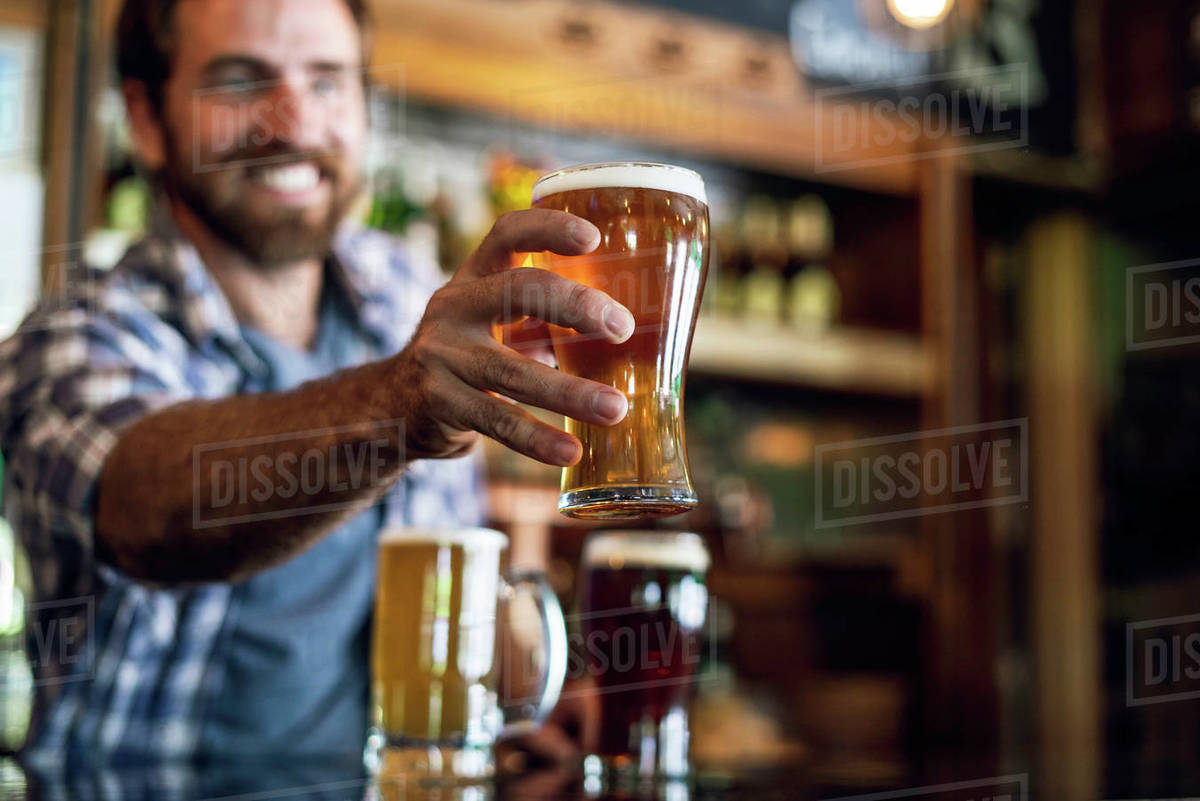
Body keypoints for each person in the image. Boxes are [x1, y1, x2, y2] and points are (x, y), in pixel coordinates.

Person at [0, 0, 628, 765]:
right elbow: (146, 505)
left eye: (327, 81)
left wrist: (529, 688)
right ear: (146, 119)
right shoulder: (72, 337)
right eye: (240, 81)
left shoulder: (408, 293)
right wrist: (394, 410)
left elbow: (443, 587)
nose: (293, 121)